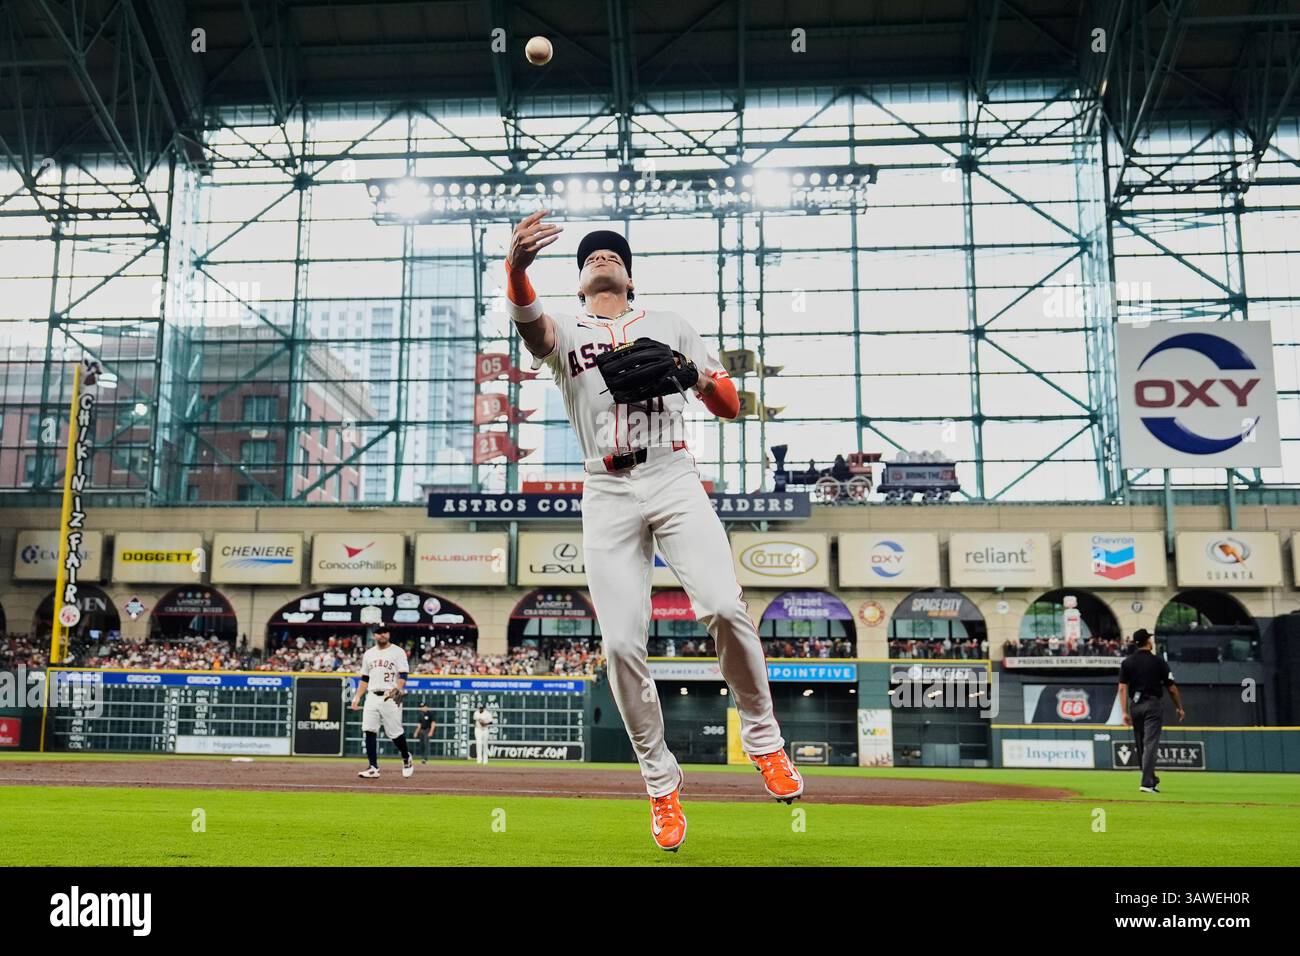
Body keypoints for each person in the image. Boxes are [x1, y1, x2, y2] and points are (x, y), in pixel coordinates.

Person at [504, 211, 802, 853]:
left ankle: (764, 738)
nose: (600, 259)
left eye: (611, 255)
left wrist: (690, 374)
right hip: (604, 489)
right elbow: (531, 327)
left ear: (630, 277)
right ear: (579, 282)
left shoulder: (671, 326)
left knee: (724, 605)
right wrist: (517, 267)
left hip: (671, 473)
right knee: (620, 645)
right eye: (589, 258)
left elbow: (727, 406)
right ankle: (661, 785)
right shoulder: (565, 331)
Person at [1119, 628, 1185, 793]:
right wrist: (1179, 707)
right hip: (1152, 704)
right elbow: (1172, 689)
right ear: (1148, 642)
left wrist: (1124, 712)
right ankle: (1147, 783)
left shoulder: (1127, 662)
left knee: (1141, 744)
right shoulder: (1158, 661)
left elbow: (1121, 688)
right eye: (1150, 639)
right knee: (1150, 744)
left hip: (1135, 705)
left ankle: (1151, 779)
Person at [350, 626, 414, 779]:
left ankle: (406, 757)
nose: (382, 635)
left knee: (395, 733)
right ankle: (373, 767)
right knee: (369, 730)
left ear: (389, 634)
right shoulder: (369, 654)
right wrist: (357, 696)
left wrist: (398, 688)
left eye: (385, 632)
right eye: (379, 633)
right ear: (374, 636)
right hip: (372, 695)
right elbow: (365, 678)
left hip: (390, 695)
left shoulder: (397, 651)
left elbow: (403, 673)